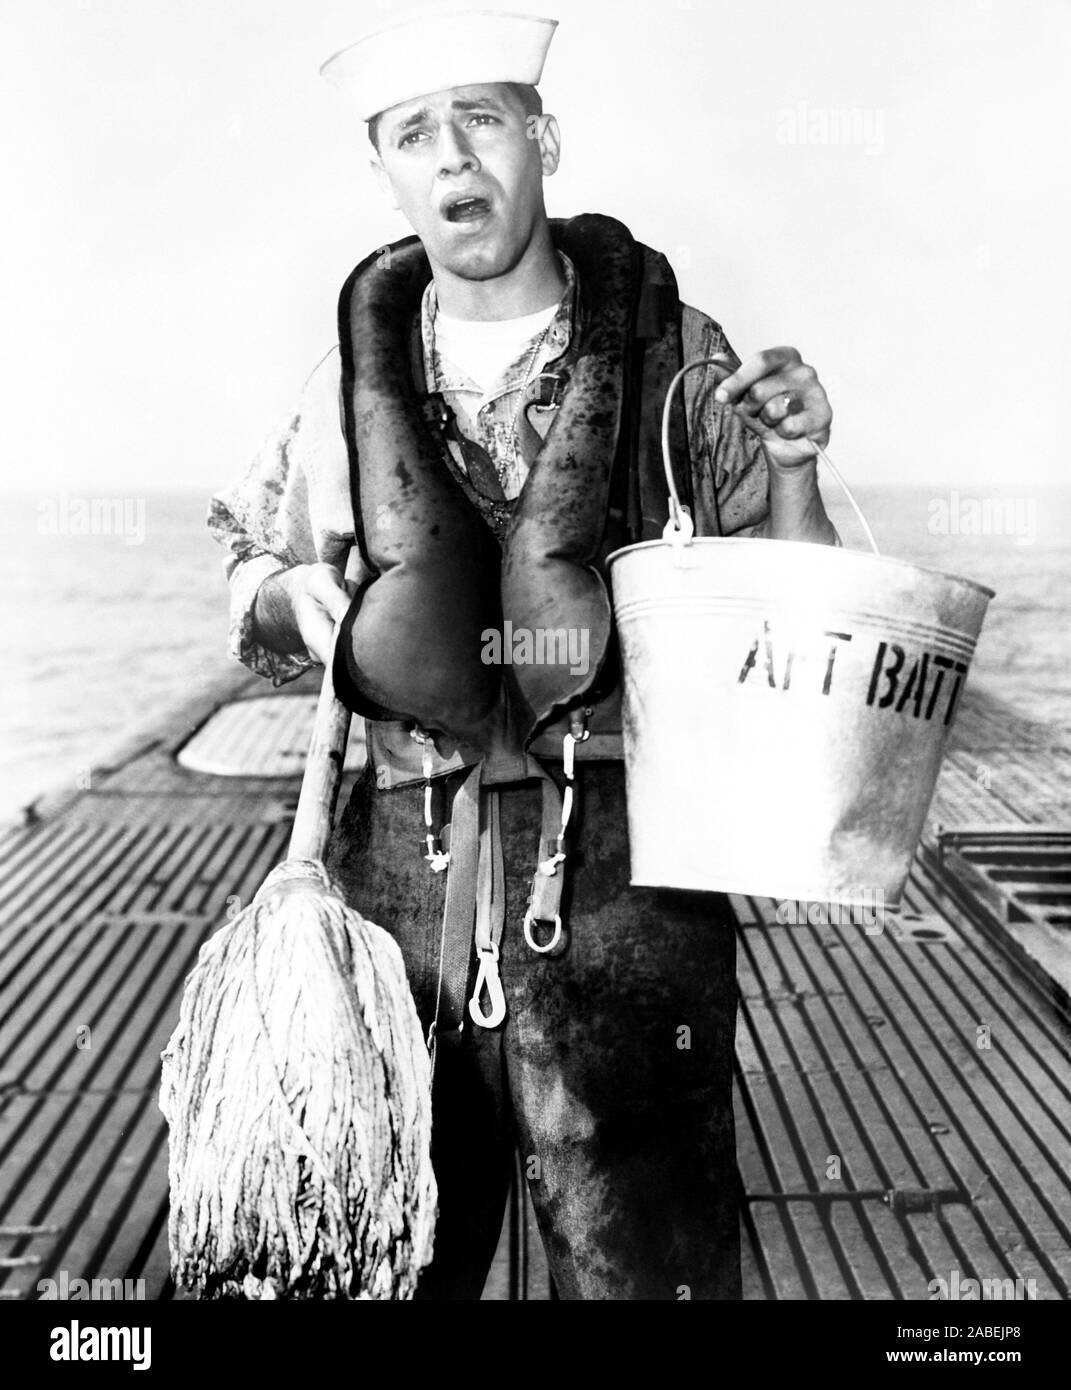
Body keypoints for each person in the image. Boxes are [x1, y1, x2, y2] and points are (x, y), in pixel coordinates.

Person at [209, 9, 837, 1301]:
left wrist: (793, 470)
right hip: (393, 914)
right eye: (413, 133)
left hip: (626, 905)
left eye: (483, 120)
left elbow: (794, 617)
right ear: (379, 165)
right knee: (383, 1265)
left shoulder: (678, 360)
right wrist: (292, 601)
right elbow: (247, 585)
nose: (455, 162)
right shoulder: (333, 391)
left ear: (541, 136)